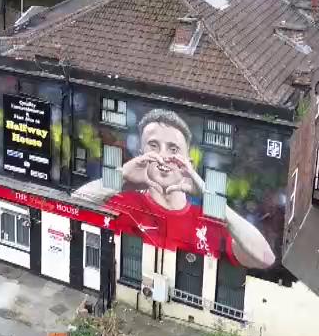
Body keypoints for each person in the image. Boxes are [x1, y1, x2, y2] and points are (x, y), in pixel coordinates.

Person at [73, 109, 276, 269]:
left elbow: (265, 258)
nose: (163, 157)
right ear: (141, 154)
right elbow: (71, 206)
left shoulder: (211, 222)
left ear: (189, 163)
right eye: (153, 146)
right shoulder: (123, 204)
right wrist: (121, 176)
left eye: (173, 149)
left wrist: (210, 198)